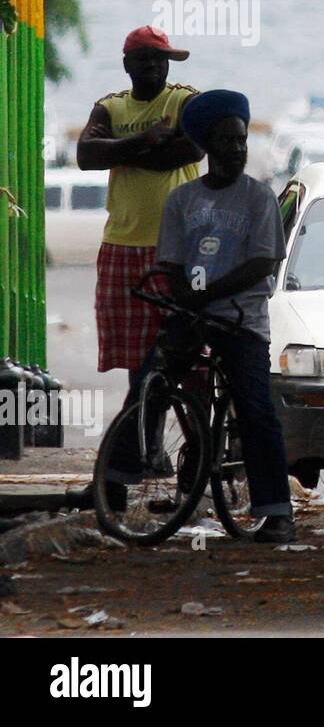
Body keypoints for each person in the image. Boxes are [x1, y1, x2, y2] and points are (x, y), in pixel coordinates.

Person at [66, 26, 202, 509]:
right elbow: (85, 156)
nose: (153, 67)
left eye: (160, 59)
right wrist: (148, 140)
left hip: (176, 250)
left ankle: (147, 464)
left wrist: (124, 152)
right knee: (136, 361)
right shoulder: (111, 106)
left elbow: (187, 152)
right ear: (127, 64)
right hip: (122, 247)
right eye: (143, 59)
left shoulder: (186, 102)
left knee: (170, 364)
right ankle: (145, 452)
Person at [153, 90, 294, 541]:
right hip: (193, 313)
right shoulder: (181, 201)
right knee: (150, 381)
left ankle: (276, 511)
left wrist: (208, 294)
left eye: (241, 140)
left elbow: (261, 264)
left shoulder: (259, 199)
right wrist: (186, 301)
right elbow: (172, 263)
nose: (236, 149)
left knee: (256, 409)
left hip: (241, 318)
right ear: (208, 147)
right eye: (226, 141)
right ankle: (115, 479)